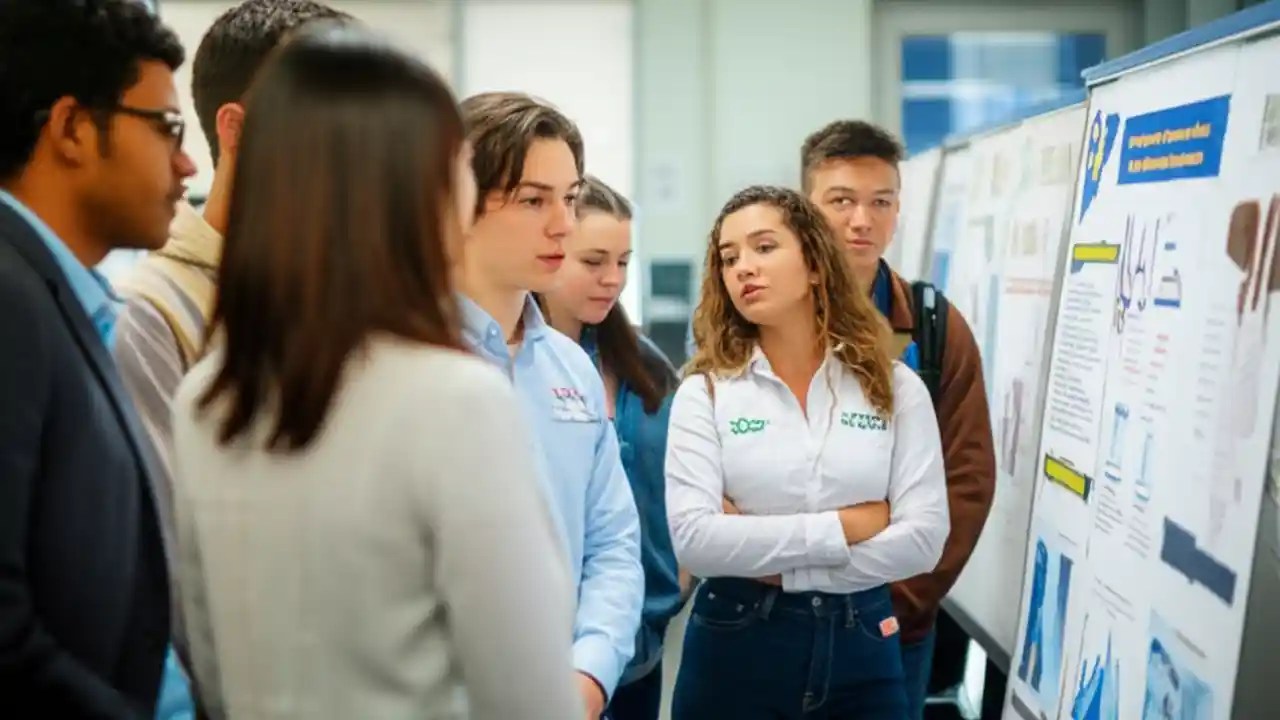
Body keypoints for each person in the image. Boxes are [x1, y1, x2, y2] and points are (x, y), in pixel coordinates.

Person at [167, 24, 582, 719]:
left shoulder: (209, 395)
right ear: (413, 188)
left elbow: (206, 663)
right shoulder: (454, 402)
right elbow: (531, 698)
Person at [667, 185, 949, 719]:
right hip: (735, 640)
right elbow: (698, 542)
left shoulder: (894, 387)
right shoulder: (703, 392)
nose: (743, 268)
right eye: (729, 258)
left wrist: (776, 565)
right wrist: (849, 525)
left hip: (863, 640)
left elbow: (923, 541)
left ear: (816, 265)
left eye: (764, 247)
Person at [0, 1, 194, 716]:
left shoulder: (64, 298)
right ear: (73, 128)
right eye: (166, 127)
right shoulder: (11, 300)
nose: (186, 161)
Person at [456, 92, 643, 719]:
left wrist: (588, 674)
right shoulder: (392, 363)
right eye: (535, 200)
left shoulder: (570, 369)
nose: (563, 223)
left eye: (569, 197)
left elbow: (613, 544)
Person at [801, 120, 997, 718]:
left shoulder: (935, 328)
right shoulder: (760, 318)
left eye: (880, 202)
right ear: (805, 209)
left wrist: (901, 599)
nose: (862, 220)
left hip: (894, 626)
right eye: (841, 201)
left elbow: (967, 476)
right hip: (776, 620)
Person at [539, 176, 687, 720]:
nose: (613, 279)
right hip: (543, 648)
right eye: (594, 261)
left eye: (623, 262)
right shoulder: (512, 363)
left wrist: (668, 593)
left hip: (636, 644)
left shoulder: (644, 364)